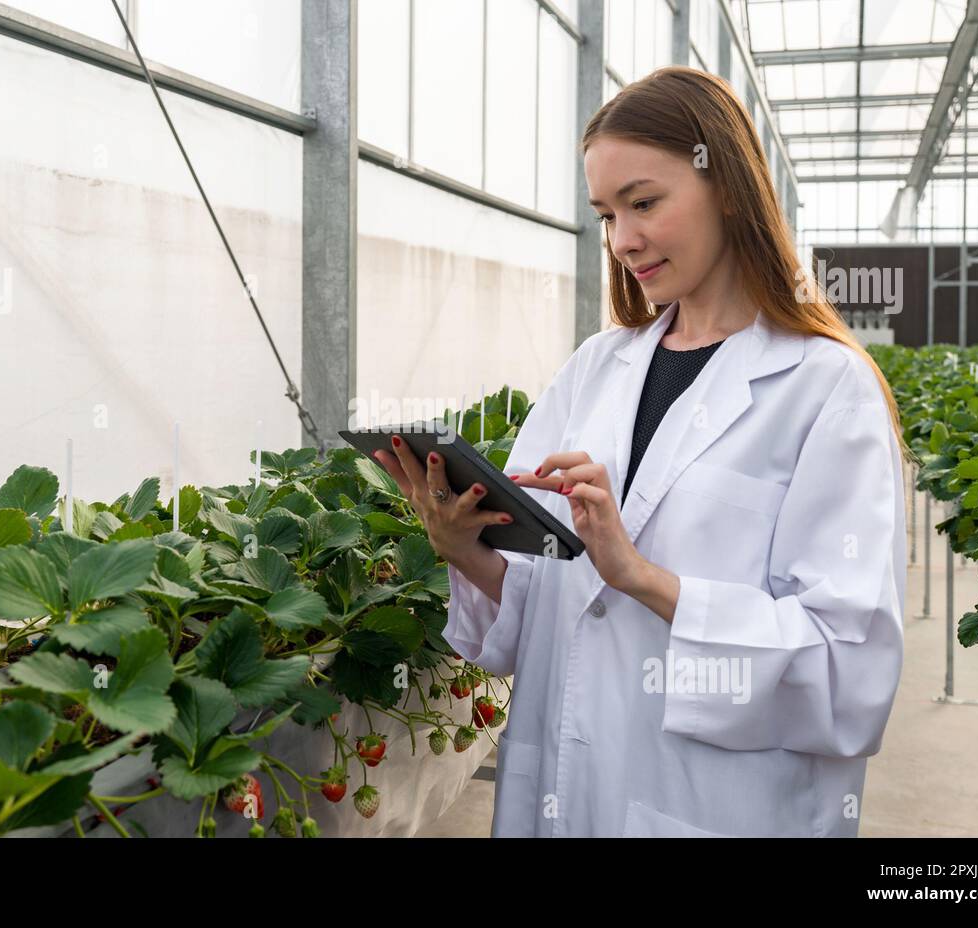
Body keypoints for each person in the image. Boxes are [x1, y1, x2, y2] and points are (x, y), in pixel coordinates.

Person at [370, 66, 909, 838]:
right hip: (566, 791)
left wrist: (643, 577)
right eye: (605, 215)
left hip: (720, 808)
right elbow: (542, 612)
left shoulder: (826, 389)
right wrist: (467, 551)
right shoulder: (596, 368)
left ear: (726, 184)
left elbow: (846, 672)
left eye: (645, 203)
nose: (623, 241)